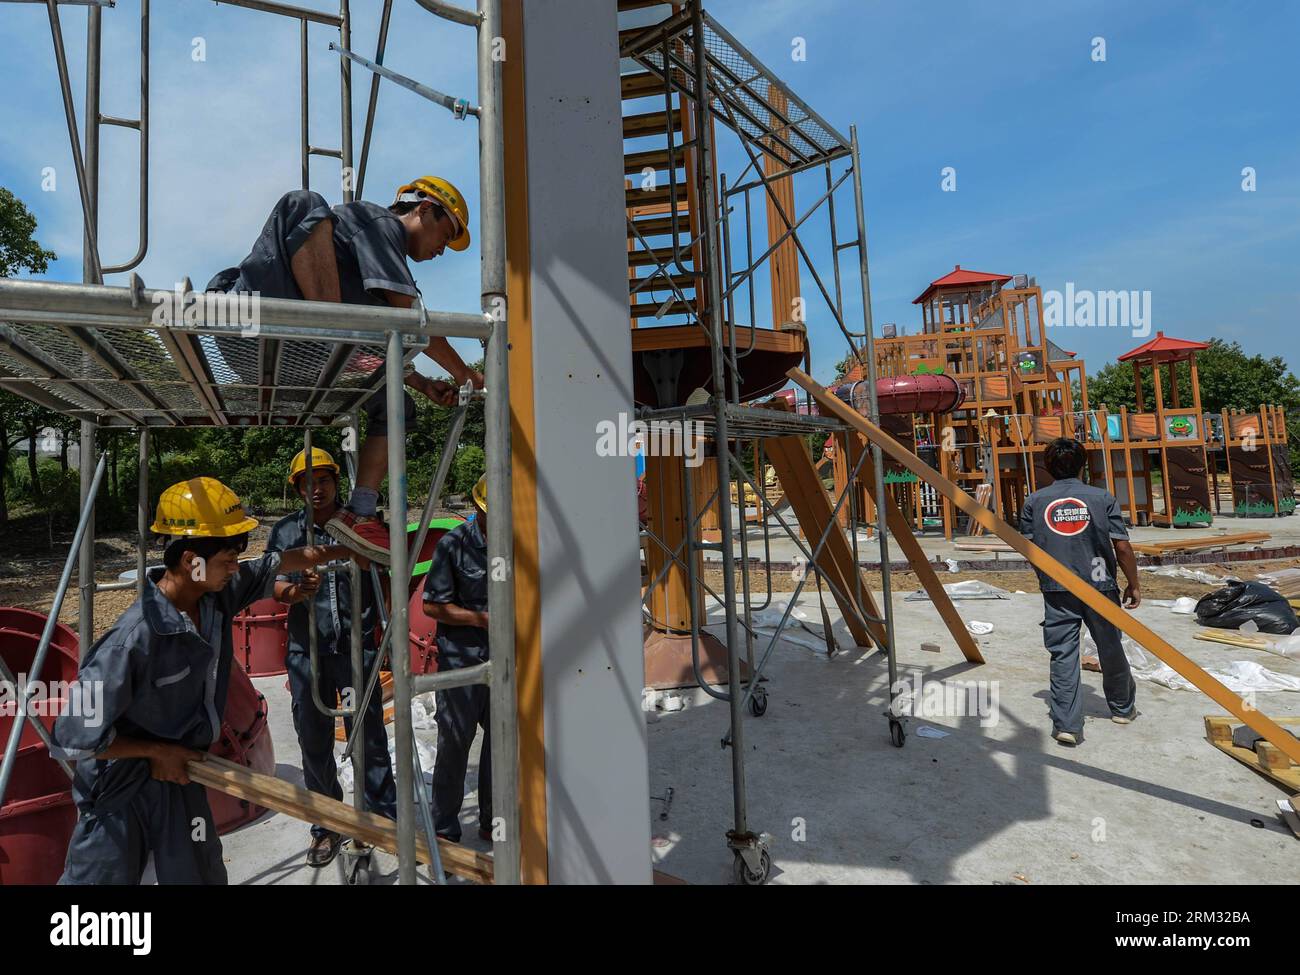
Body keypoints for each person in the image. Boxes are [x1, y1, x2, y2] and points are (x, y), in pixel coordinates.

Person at [50, 477, 363, 884]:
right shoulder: (131, 641)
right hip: (120, 790)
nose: (237, 568)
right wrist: (155, 753)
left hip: (183, 773)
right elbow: (71, 736)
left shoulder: (214, 596)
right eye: (228, 558)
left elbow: (281, 561)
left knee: (200, 873)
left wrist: (350, 548)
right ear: (189, 561)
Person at [207, 176, 484, 564]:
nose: (443, 249)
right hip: (250, 320)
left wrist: (420, 384)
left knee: (395, 406)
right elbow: (411, 319)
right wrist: (466, 374)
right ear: (424, 209)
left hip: (291, 359)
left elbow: (383, 338)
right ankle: (330, 330)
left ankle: (360, 512)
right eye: (446, 233)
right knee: (304, 202)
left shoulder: (371, 273)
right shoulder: (376, 222)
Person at [266, 447, 397, 867]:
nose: (316, 489)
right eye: (308, 483)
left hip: (357, 647)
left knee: (369, 731)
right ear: (298, 489)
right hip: (308, 651)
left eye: (323, 480)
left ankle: (383, 816)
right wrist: (295, 592)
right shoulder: (287, 532)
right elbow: (273, 585)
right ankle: (327, 824)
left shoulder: (363, 526)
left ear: (337, 483)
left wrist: (389, 634)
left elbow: (385, 575)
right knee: (314, 737)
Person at [1019, 438, 1140, 746]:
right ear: (1083, 465)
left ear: (1048, 467)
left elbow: (1030, 549)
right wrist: (1133, 583)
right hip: (1100, 584)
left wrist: (1048, 578)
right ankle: (1122, 709)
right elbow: (1122, 546)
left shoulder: (1034, 502)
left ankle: (1067, 725)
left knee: (1063, 654)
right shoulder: (1101, 498)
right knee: (1110, 647)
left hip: (1057, 588)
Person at [421, 475, 491, 844]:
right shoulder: (454, 545)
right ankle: (445, 830)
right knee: (454, 742)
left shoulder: (521, 541)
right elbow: (432, 605)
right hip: (462, 659)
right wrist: (482, 619)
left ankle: (493, 821)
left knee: (502, 743)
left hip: (508, 659)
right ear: (477, 507)